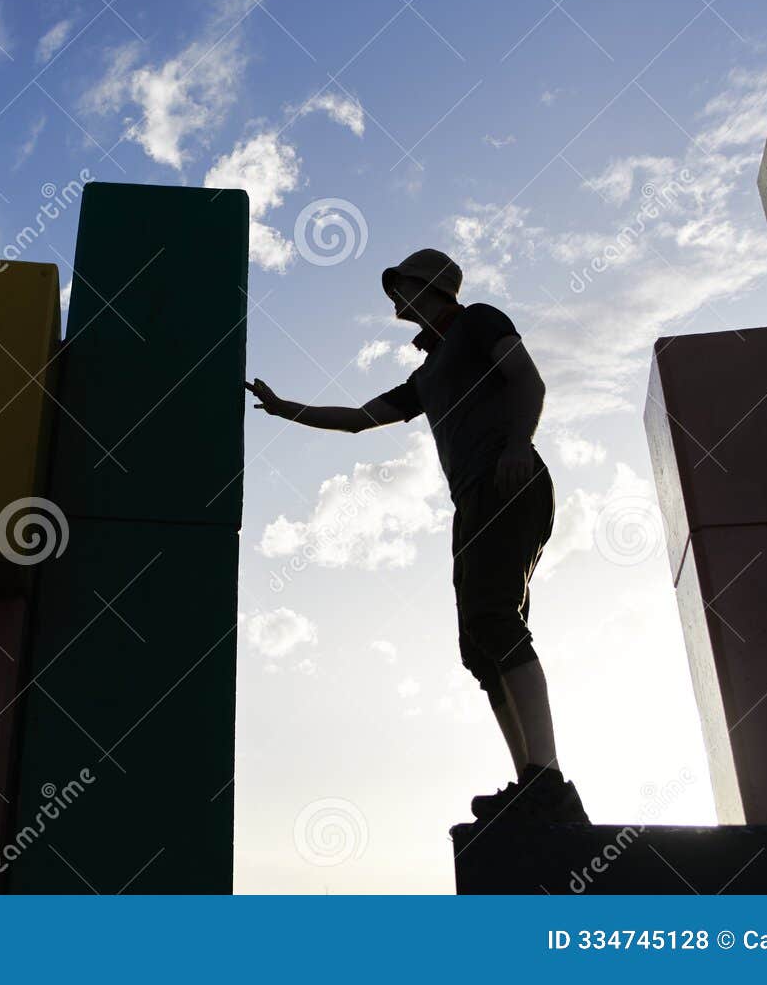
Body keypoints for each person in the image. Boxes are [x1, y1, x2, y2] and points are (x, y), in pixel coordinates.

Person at [245, 247, 588, 825]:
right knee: (478, 642)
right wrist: (285, 409)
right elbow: (358, 419)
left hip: (510, 482)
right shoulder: (426, 375)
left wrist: (516, 445)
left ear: (428, 286)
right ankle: (531, 783)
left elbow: (528, 380)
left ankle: (549, 779)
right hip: (472, 501)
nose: (394, 299)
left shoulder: (480, 320)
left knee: (497, 619)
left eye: (401, 286)